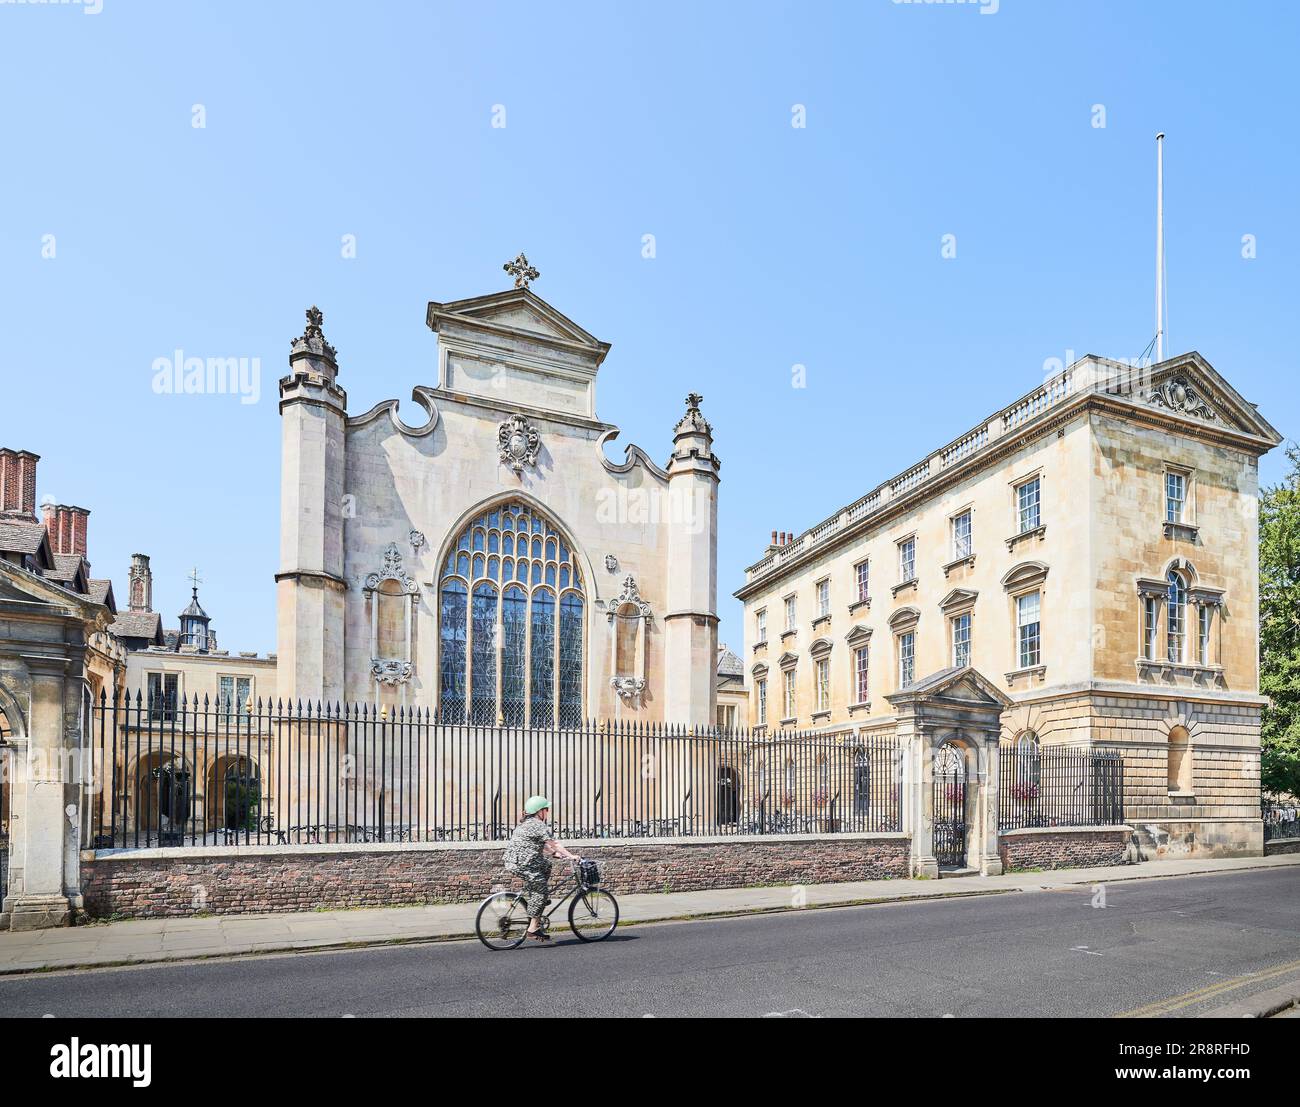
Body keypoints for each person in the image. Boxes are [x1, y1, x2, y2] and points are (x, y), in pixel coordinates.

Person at [503, 795, 579, 941]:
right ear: (539, 811)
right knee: (541, 892)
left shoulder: (526, 824)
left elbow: (541, 844)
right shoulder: (537, 825)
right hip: (524, 863)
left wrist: (555, 854)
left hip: (517, 861)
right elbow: (554, 843)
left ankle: (537, 898)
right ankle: (533, 928)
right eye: (546, 809)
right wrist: (571, 856)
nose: (547, 812)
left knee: (546, 865)